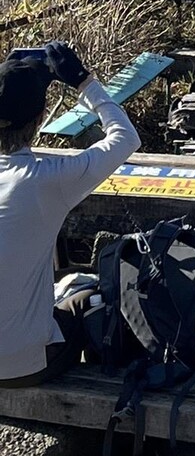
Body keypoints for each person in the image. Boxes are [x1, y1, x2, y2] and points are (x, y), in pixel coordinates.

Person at [0, 41, 140, 386]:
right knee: (89, 299)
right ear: (39, 119)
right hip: (20, 366)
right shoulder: (45, 180)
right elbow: (125, 138)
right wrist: (84, 82)